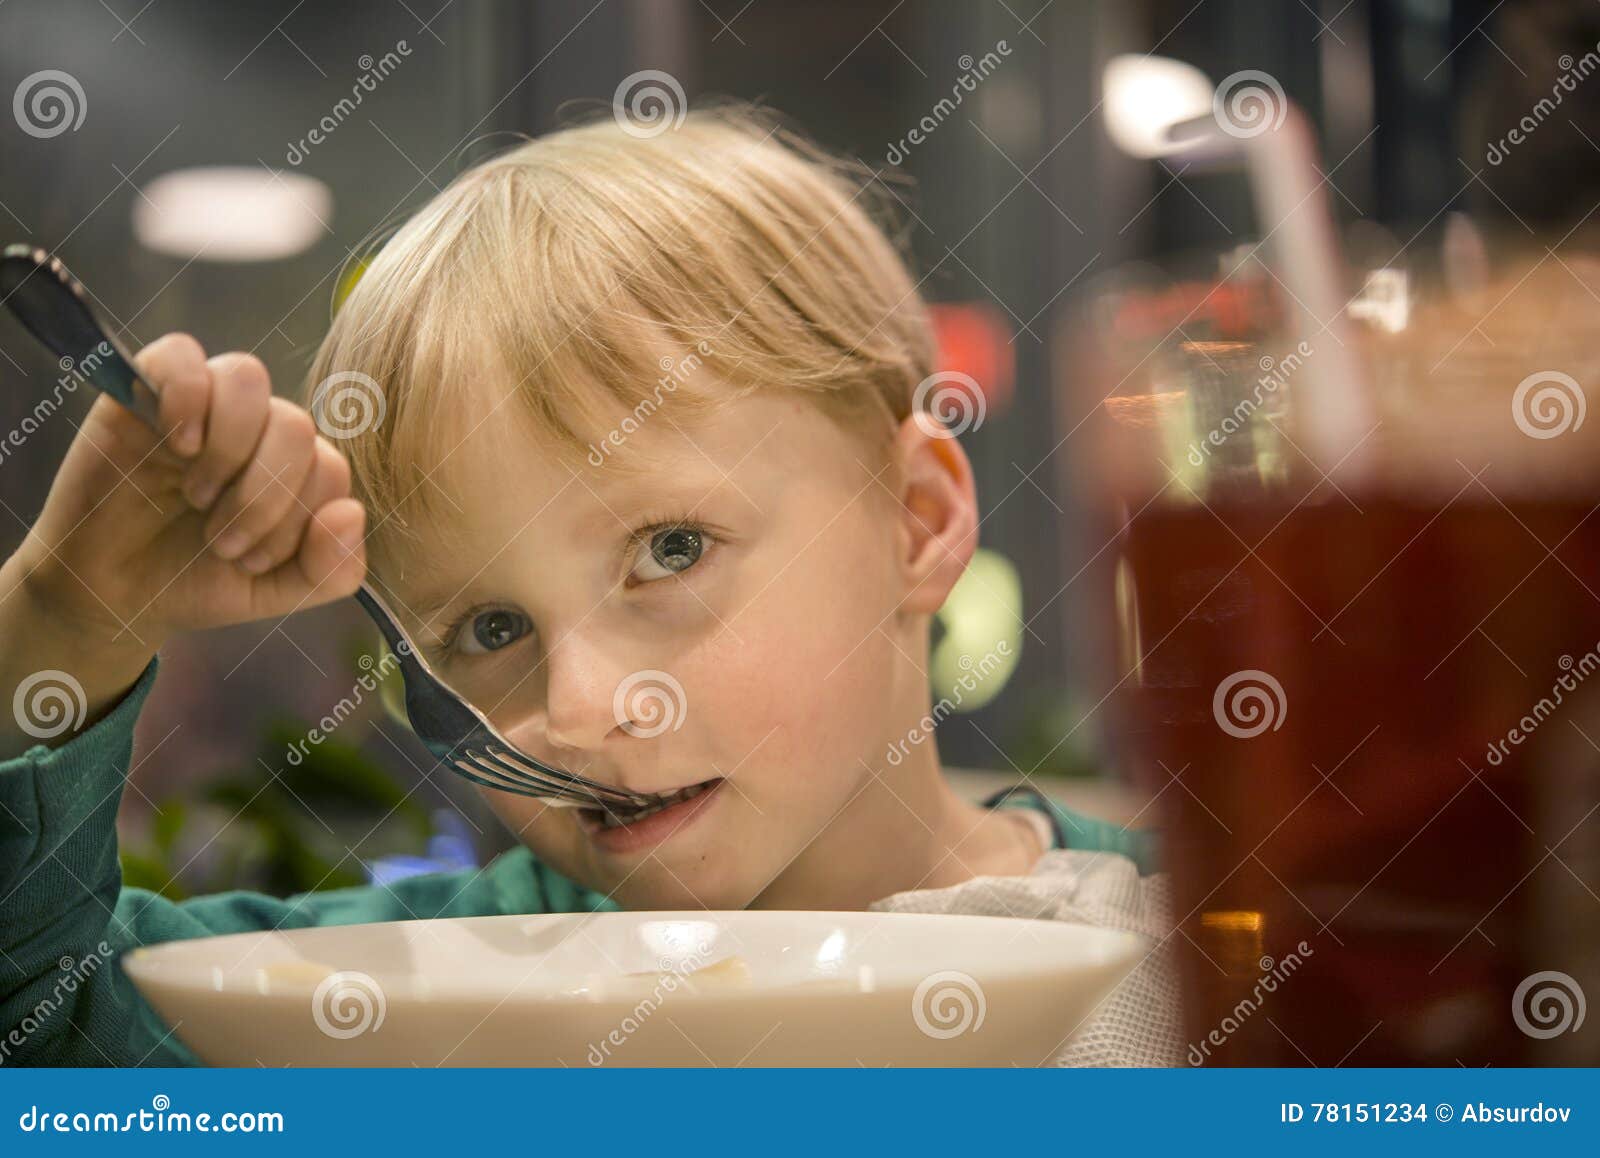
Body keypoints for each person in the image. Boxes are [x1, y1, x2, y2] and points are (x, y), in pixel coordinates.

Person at [0, 108, 1157, 1066]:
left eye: (669, 550)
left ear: (917, 520)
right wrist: (61, 614)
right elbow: (41, 1037)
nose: (583, 709)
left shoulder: (1208, 940)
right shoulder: (434, 995)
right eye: (490, 626)